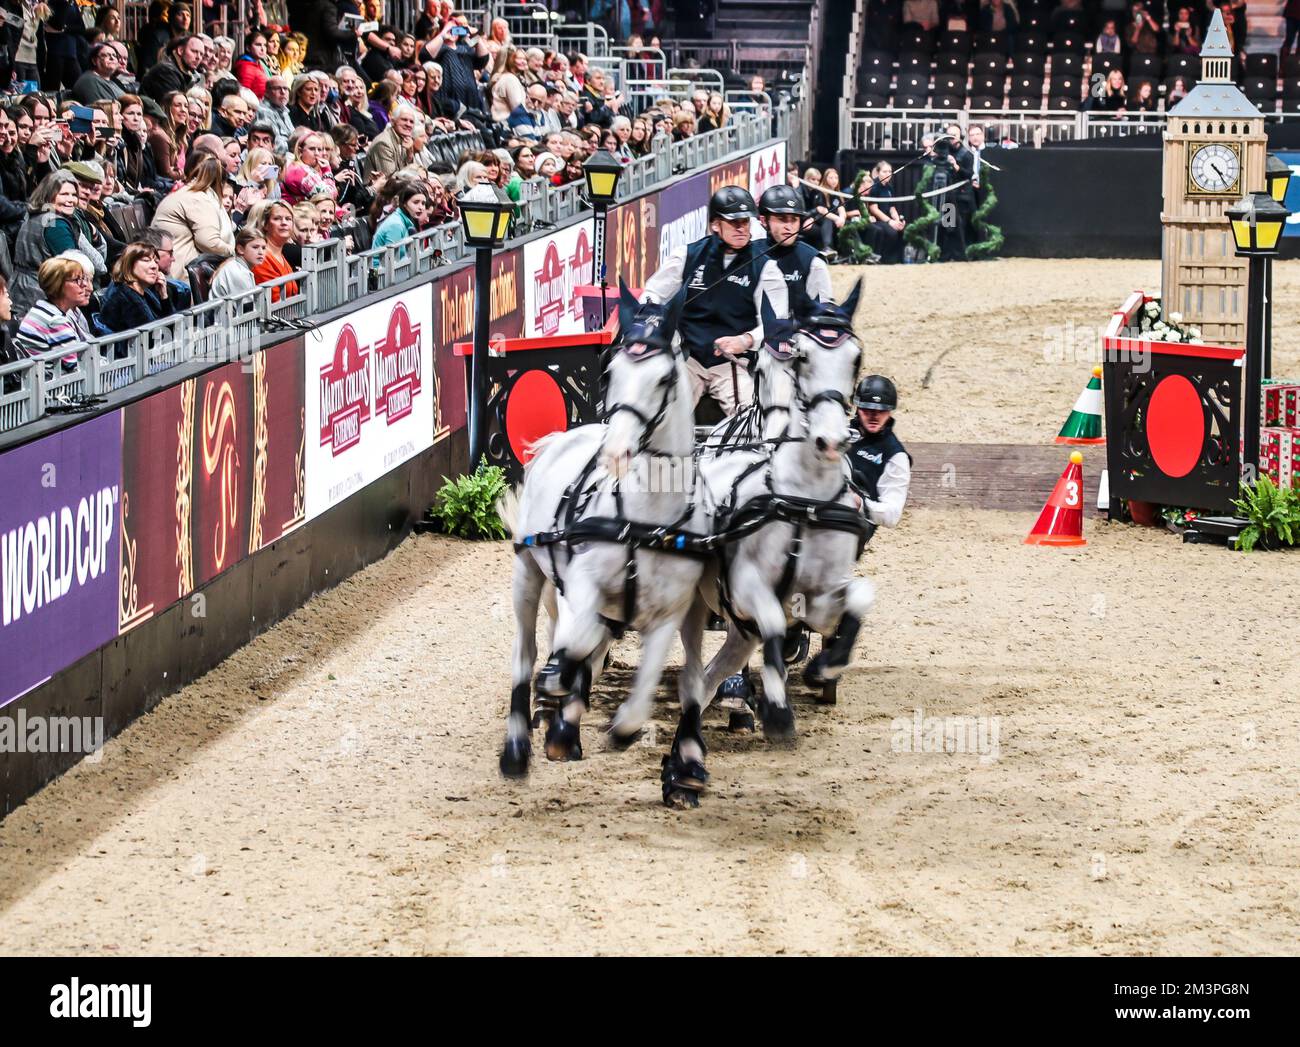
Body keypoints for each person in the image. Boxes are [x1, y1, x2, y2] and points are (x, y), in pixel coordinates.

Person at [641, 186, 789, 416]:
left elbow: (776, 322)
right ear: (715, 225)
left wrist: (746, 339)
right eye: (733, 222)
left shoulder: (766, 268)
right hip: (687, 360)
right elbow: (653, 294)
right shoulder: (686, 256)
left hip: (733, 364)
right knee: (656, 415)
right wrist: (659, 325)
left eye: (745, 222)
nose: (741, 228)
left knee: (747, 421)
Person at [150, 153, 234, 278]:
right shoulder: (197, 198)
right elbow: (209, 242)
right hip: (179, 272)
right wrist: (235, 252)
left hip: (176, 264)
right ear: (219, 182)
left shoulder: (192, 193)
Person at [757, 184, 831, 324]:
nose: (789, 226)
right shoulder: (750, 254)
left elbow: (824, 315)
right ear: (763, 220)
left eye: (794, 220)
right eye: (781, 219)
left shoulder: (814, 263)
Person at [11, 172, 82, 320]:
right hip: (42, 294)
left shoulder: (38, 215)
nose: (71, 200)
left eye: (74, 194)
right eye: (64, 194)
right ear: (50, 195)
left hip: (21, 290)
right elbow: (75, 267)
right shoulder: (55, 224)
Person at [847, 375, 911, 529]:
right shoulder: (840, 433)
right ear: (858, 408)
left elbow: (892, 515)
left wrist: (858, 503)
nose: (874, 416)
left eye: (880, 410)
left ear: (889, 412)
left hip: (853, 523)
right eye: (868, 409)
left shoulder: (896, 455)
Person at [14, 255, 93, 370]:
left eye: (83, 279)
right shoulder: (55, 321)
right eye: (77, 280)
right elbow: (77, 368)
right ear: (58, 285)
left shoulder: (43, 308)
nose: (84, 285)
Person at [99, 241, 175, 332]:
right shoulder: (123, 295)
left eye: (156, 261)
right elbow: (156, 336)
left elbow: (172, 327)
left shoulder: (145, 292)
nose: (154, 266)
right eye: (146, 260)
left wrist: (164, 296)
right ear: (130, 264)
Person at [210, 228, 267, 300]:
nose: (261, 252)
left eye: (264, 248)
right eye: (255, 247)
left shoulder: (238, 267)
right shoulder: (238, 273)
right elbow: (248, 309)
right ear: (240, 249)